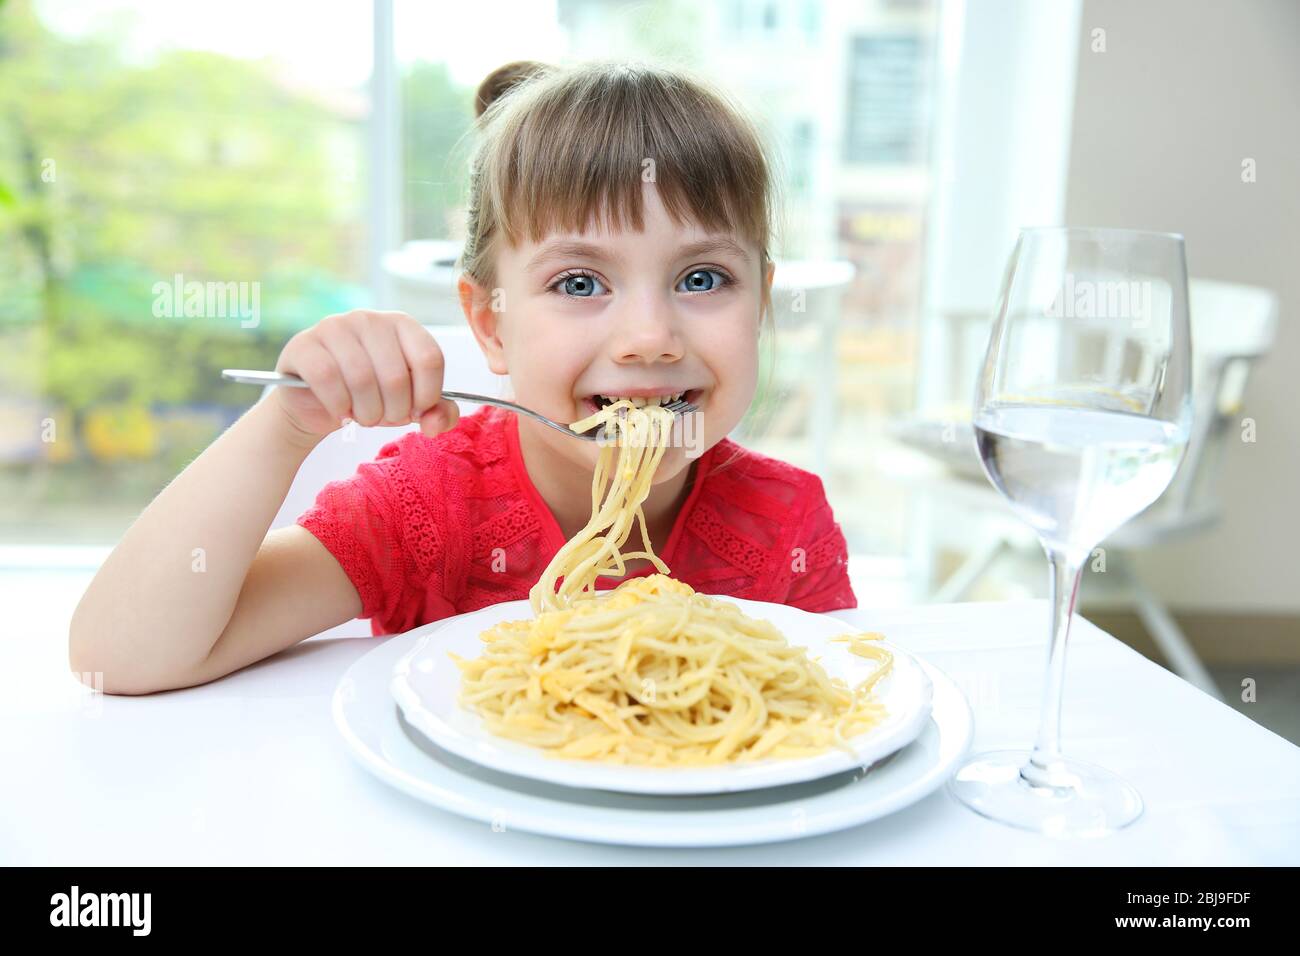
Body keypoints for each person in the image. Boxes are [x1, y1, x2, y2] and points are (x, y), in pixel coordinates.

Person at [69, 59, 855, 695]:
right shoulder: (434, 508)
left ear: (759, 303)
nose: (649, 338)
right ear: (490, 324)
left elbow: (834, 713)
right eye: (581, 283)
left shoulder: (785, 524)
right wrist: (285, 427)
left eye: (704, 278)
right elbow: (127, 656)